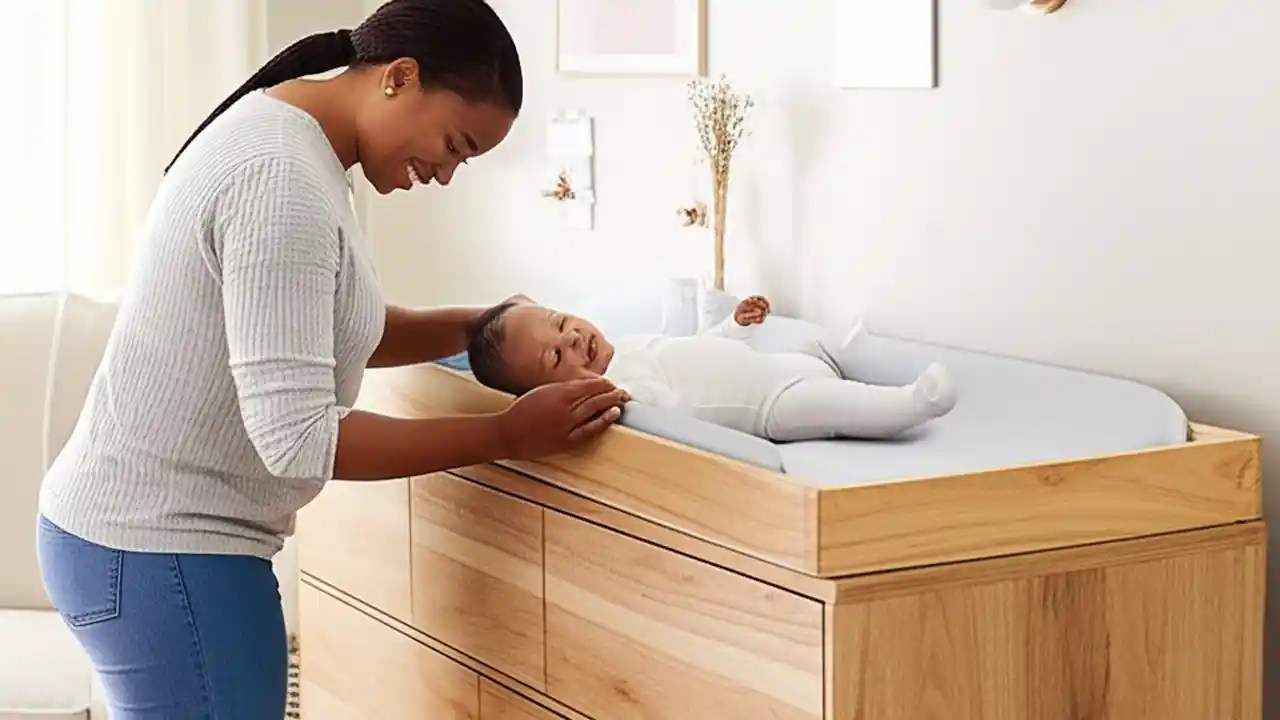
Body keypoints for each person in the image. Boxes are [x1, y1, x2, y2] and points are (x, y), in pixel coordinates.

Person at [35, 1, 627, 717]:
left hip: (139, 543)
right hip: (164, 551)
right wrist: (506, 434)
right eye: (455, 144)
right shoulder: (283, 180)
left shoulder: (291, 141)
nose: (445, 174)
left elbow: (323, 330)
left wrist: (489, 324)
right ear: (400, 77)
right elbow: (299, 441)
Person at [466, 294, 959, 442]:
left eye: (560, 322)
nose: (573, 338)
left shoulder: (631, 344)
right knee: (840, 405)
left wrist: (733, 327)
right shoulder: (622, 390)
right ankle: (911, 403)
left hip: (777, 363)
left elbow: (697, 351)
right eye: (556, 357)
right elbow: (674, 412)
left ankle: (882, 356)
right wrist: (624, 403)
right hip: (772, 404)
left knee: (825, 341)